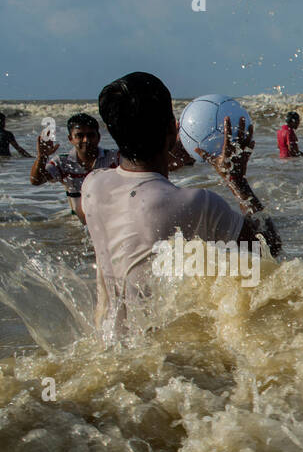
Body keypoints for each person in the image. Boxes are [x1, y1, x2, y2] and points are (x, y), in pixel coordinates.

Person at [82, 71, 280, 340]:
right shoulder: (198, 203)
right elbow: (268, 252)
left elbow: (141, 192)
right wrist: (236, 180)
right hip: (158, 355)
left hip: (106, 342)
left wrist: (167, 155)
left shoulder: (92, 185)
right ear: (173, 129)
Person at [29, 113, 120, 223]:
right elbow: (36, 181)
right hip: (78, 225)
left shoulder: (115, 158)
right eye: (80, 136)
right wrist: (42, 157)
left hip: (112, 221)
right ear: (70, 139)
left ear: (98, 137)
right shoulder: (63, 162)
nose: (86, 140)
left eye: (91, 135)